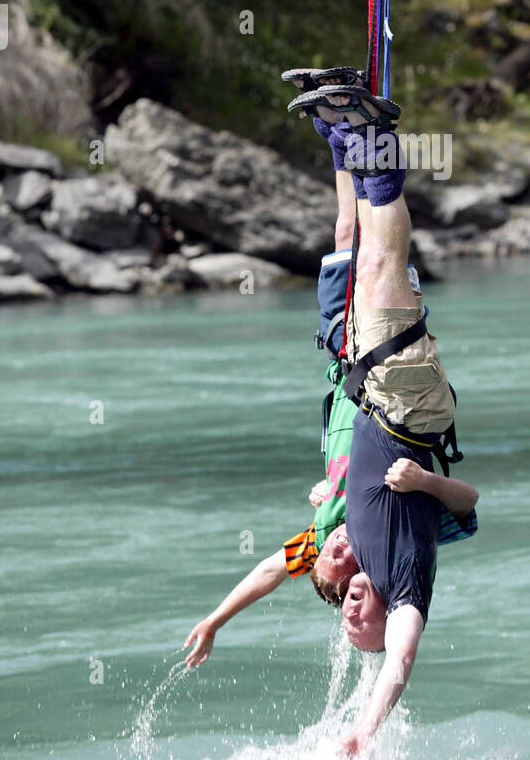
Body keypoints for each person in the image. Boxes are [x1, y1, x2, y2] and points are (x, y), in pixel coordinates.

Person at [183, 76, 477, 671]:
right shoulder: (387, 536)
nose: (337, 552)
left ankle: (343, 137)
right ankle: (367, 138)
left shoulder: (325, 525)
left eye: (326, 559)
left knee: (349, 236)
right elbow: (466, 505)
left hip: (348, 366)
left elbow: (270, 570)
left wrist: (216, 618)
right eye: (342, 567)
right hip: (385, 385)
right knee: (375, 257)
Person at [279, 69, 478, 759]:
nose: (355, 613)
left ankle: (345, 139)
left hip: (376, 390)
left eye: (347, 615)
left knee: (359, 249)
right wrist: (366, 726)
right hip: (407, 406)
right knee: (385, 264)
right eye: (360, 621)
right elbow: (398, 663)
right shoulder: (407, 585)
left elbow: (296, 560)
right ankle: (373, 140)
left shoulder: (346, 535)